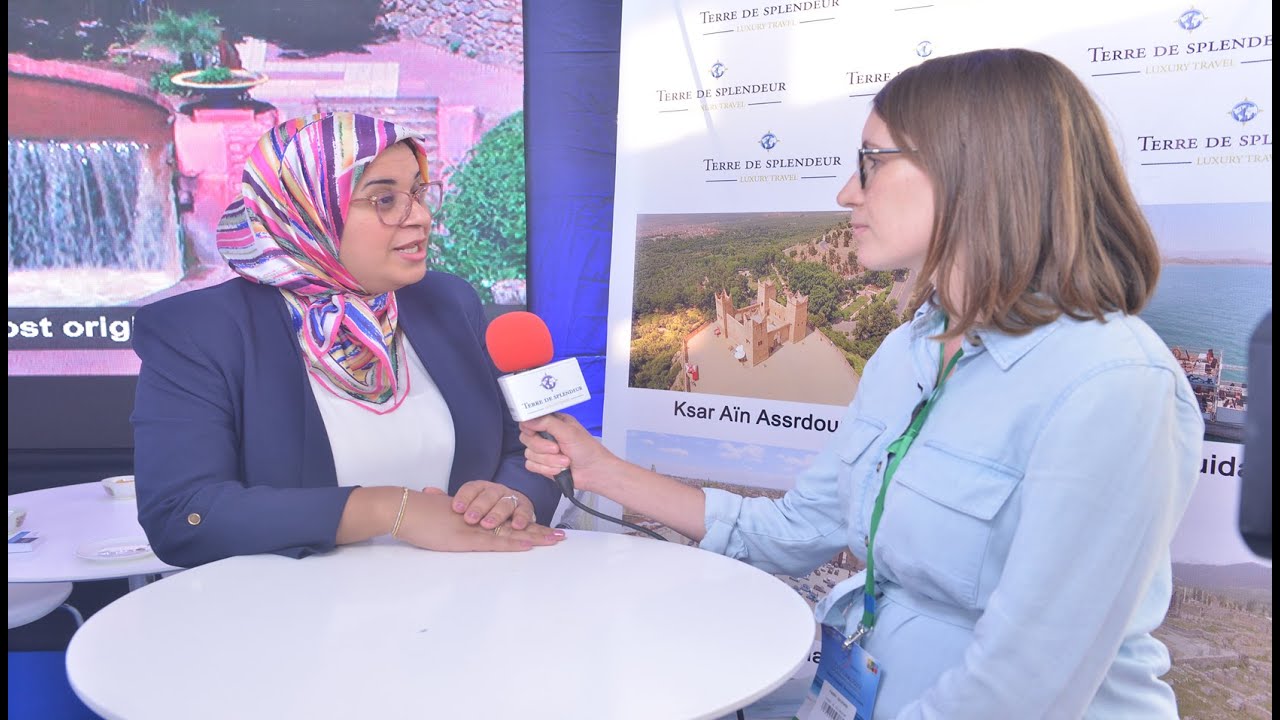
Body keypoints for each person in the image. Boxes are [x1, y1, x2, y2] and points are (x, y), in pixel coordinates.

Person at [521, 49, 1203, 719]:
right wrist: (603, 471)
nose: (847, 192)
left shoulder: (1112, 384)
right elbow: (795, 530)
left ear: (973, 170)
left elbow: (1024, 688)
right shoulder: (908, 351)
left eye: (871, 163)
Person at [133, 112, 564, 568]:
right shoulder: (199, 331)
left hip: (472, 601)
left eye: (418, 193)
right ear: (305, 208)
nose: (419, 216)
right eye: (384, 199)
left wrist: (511, 497)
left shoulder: (448, 301)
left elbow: (528, 447)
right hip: (293, 619)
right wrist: (392, 510)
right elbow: (183, 515)